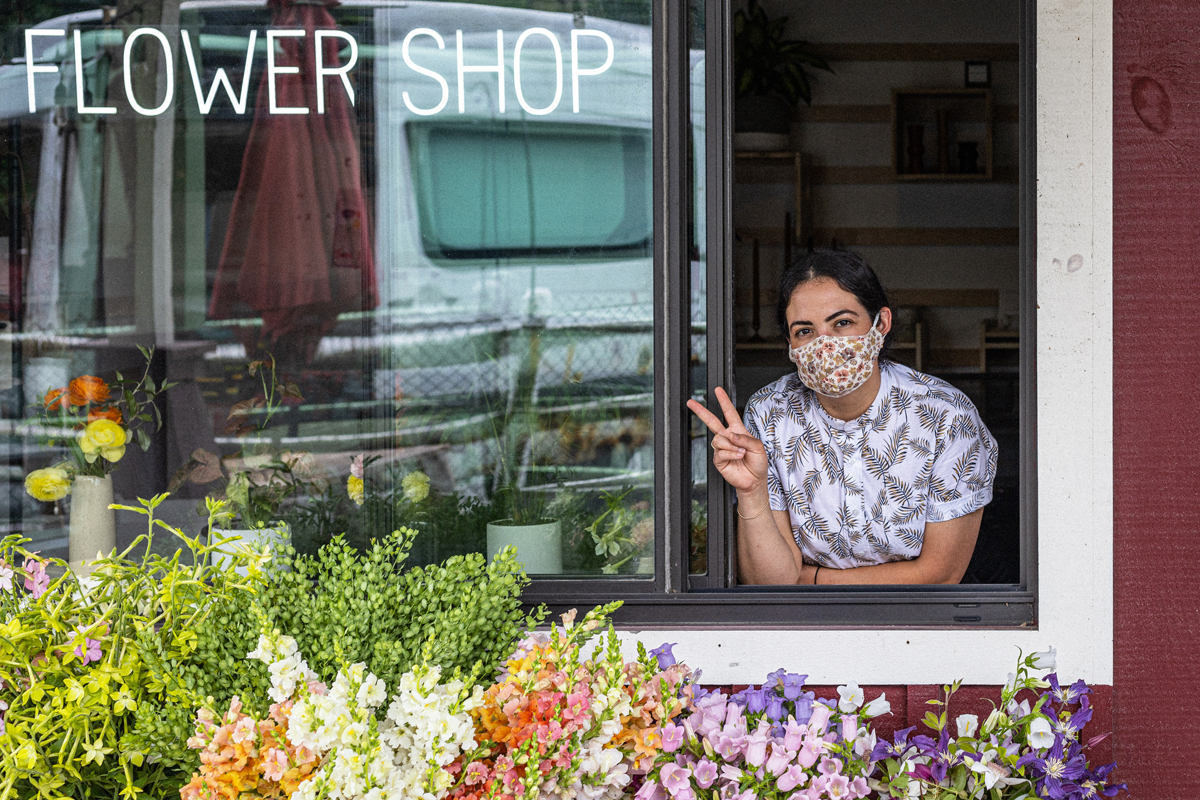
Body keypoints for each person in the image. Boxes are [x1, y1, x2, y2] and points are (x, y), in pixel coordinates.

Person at [687, 250, 998, 585]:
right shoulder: (769, 415)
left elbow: (939, 576)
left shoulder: (947, 417)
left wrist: (813, 581)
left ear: (881, 324)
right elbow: (772, 584)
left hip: (916, 622)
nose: (825, 345)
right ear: (790, 346)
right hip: (801, 624)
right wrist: (751, 492)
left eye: (842, 323)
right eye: (805, 331)